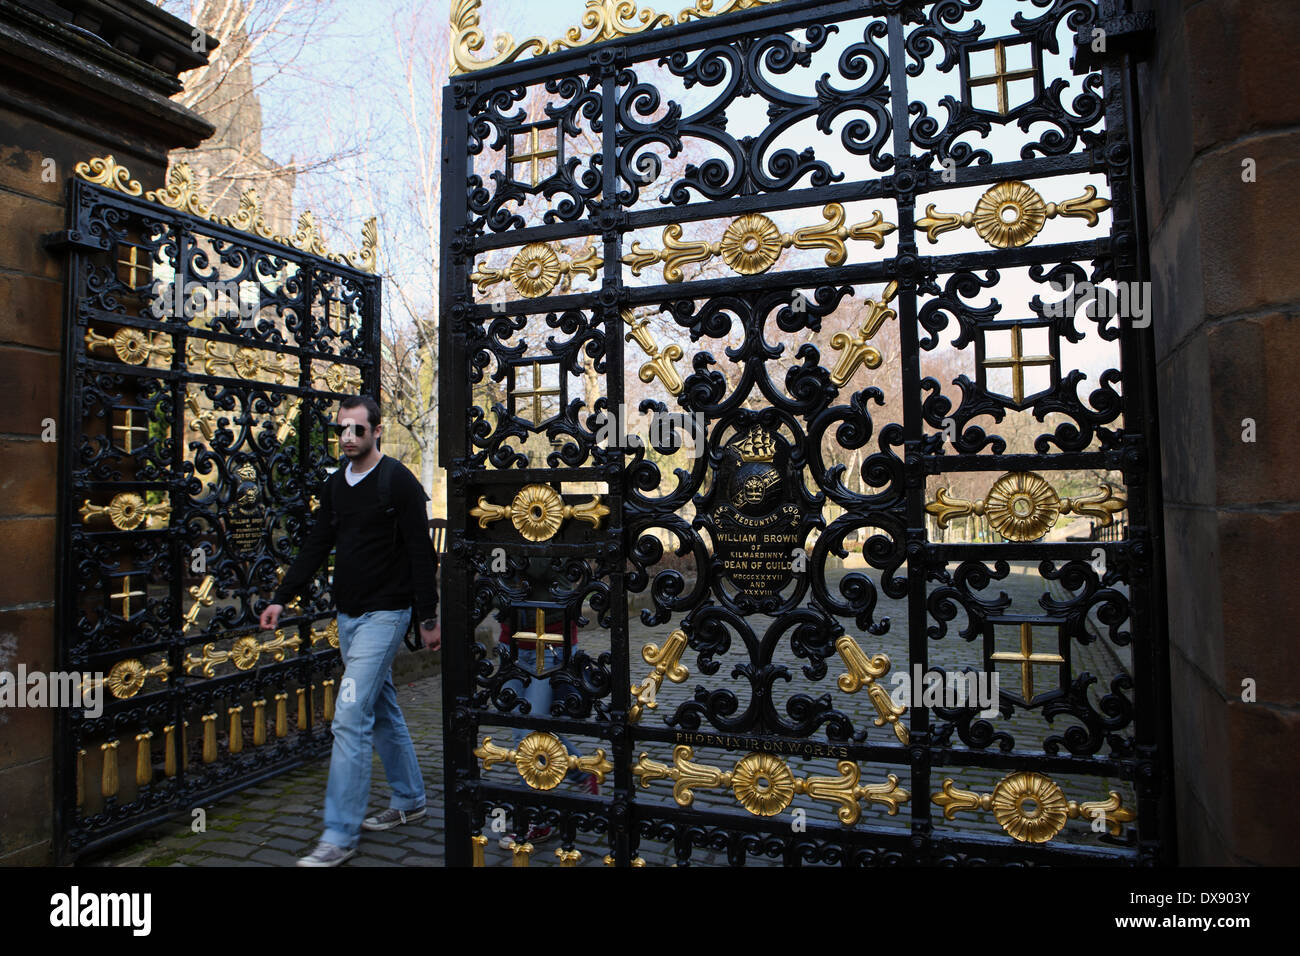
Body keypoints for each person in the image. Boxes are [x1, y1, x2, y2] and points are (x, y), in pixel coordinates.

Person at [259, 394, 440, 867]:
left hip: (387, 614)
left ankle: (338, 835)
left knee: (349, 712)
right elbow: (317, 545)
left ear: (376, 431)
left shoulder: (397, 482)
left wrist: (428, 617)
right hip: (349, 616)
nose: (348, 437)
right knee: (380, 708)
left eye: (357, 429)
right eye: (342, 429)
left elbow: (422, 553)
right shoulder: (335, 486)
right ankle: (410, 799)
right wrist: (282, 596)